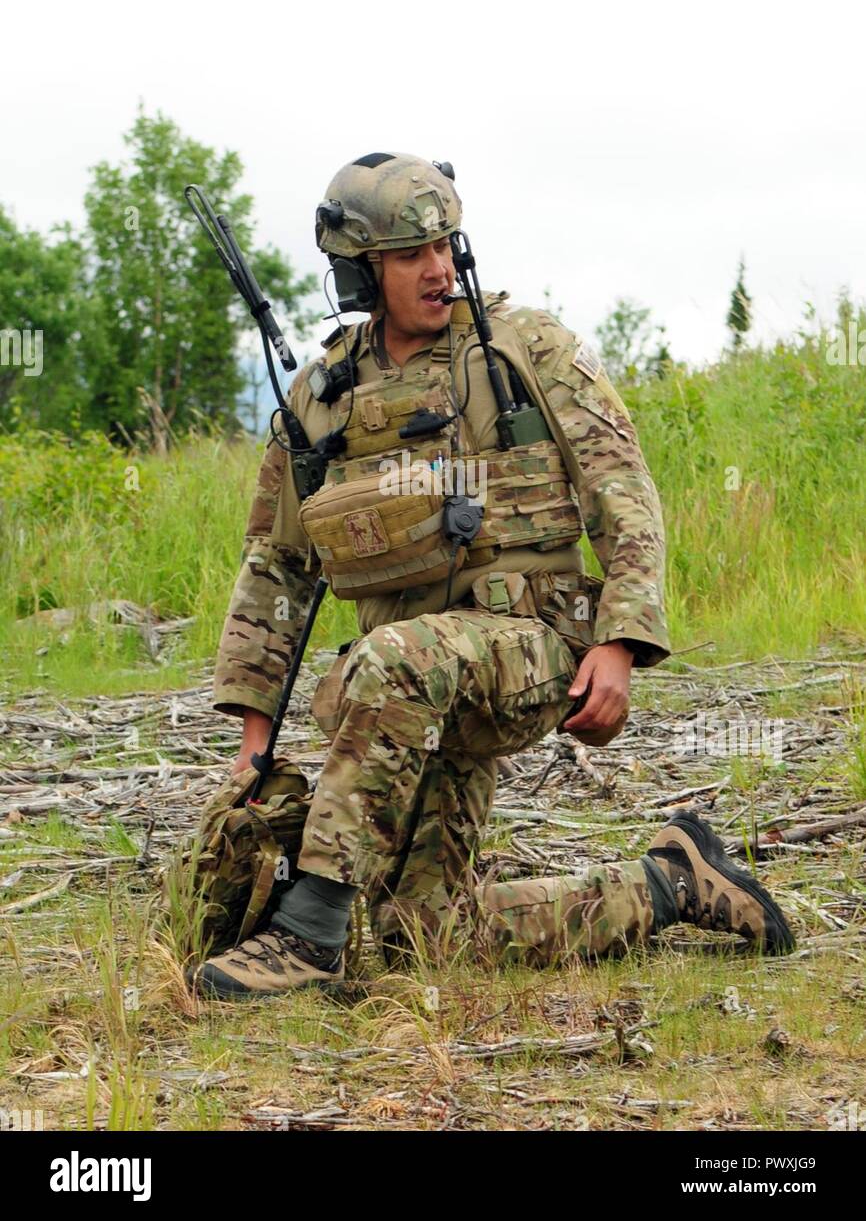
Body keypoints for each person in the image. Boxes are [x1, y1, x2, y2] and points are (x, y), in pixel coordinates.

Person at [196, 153, 793, 998]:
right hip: (407, 696)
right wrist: (255, 739)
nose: (437, 267)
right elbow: (277, 567)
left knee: (395, 658)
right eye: (410, 254)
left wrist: (621, 643)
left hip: (530, 648)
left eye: (445, 244)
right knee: (425, 938)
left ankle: (310, 928)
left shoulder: (526, 349)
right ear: (361, 271)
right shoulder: (323, 394)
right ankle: (671, 881)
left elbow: (624, 494)